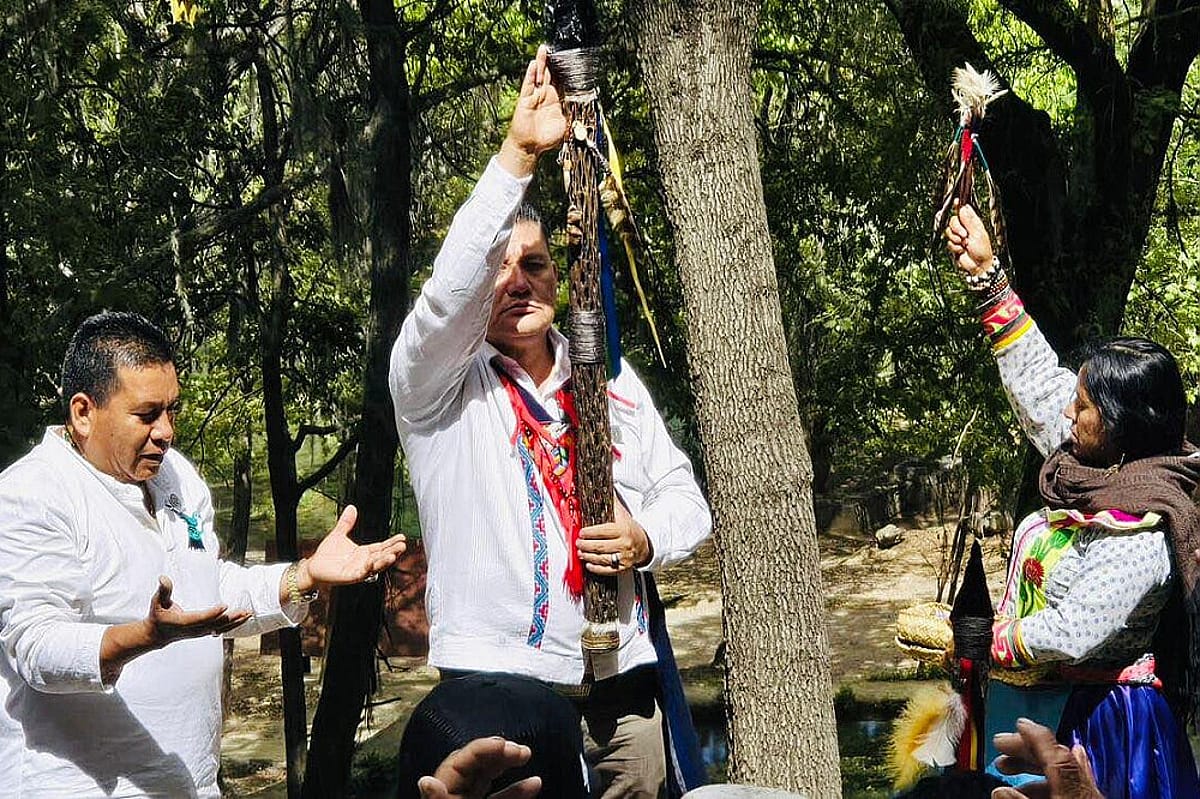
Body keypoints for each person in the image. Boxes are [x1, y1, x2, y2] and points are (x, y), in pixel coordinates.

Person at [389, 45, 712, 799]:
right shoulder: (437, 390)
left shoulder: (616, 388)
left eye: (534, 263)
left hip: (620, 686)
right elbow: (444, 299)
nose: (517, 281)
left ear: (559, 275)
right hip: (500, 687)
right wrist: (518, 155)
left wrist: (644, 538)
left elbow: (686, 500)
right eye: (497, 270)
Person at [0, 311, 407, 798]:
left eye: (172, 410)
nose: (166, 431)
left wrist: (304, 575)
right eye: (147, 414)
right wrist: (146, 637)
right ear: (83, 413)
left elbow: (208, 590)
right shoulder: (33, 492)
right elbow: (36, 645)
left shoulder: (174, 476)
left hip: (189, 783)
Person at [945, 204, 1200, 798]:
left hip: (1102, 730)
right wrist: (986, 275)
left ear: (1114, 424)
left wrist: (992, 639)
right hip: (1036, 705)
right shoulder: (1094, 467)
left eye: (1081, 404)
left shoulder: (1146, 525)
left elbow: (1077, 630)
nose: (1067, 411)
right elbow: (1039, 383)